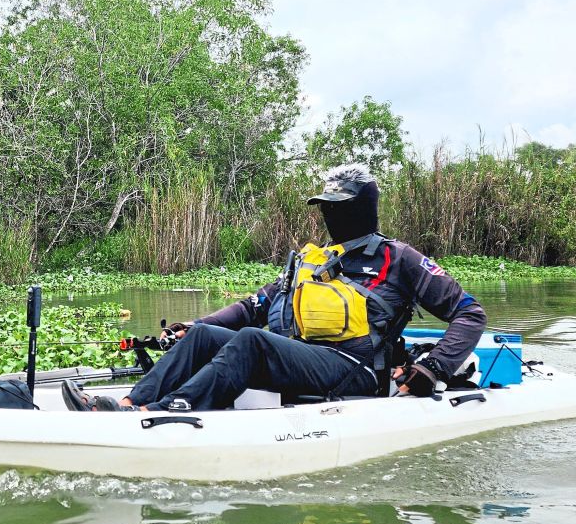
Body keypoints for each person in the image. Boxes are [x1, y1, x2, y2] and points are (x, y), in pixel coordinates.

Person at [71, 163, 487, 412]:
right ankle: (128, 404)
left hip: (358, 371)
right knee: (203, 336)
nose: (328, 213)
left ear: (361, 208)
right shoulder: (313, 259)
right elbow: (255, 305)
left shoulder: (399, 258)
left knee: (253, 342)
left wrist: (431, 369)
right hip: (304, 358)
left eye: (337, 206)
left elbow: (470, 314)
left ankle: (163, 412)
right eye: (325, 206)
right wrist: (195, 323)